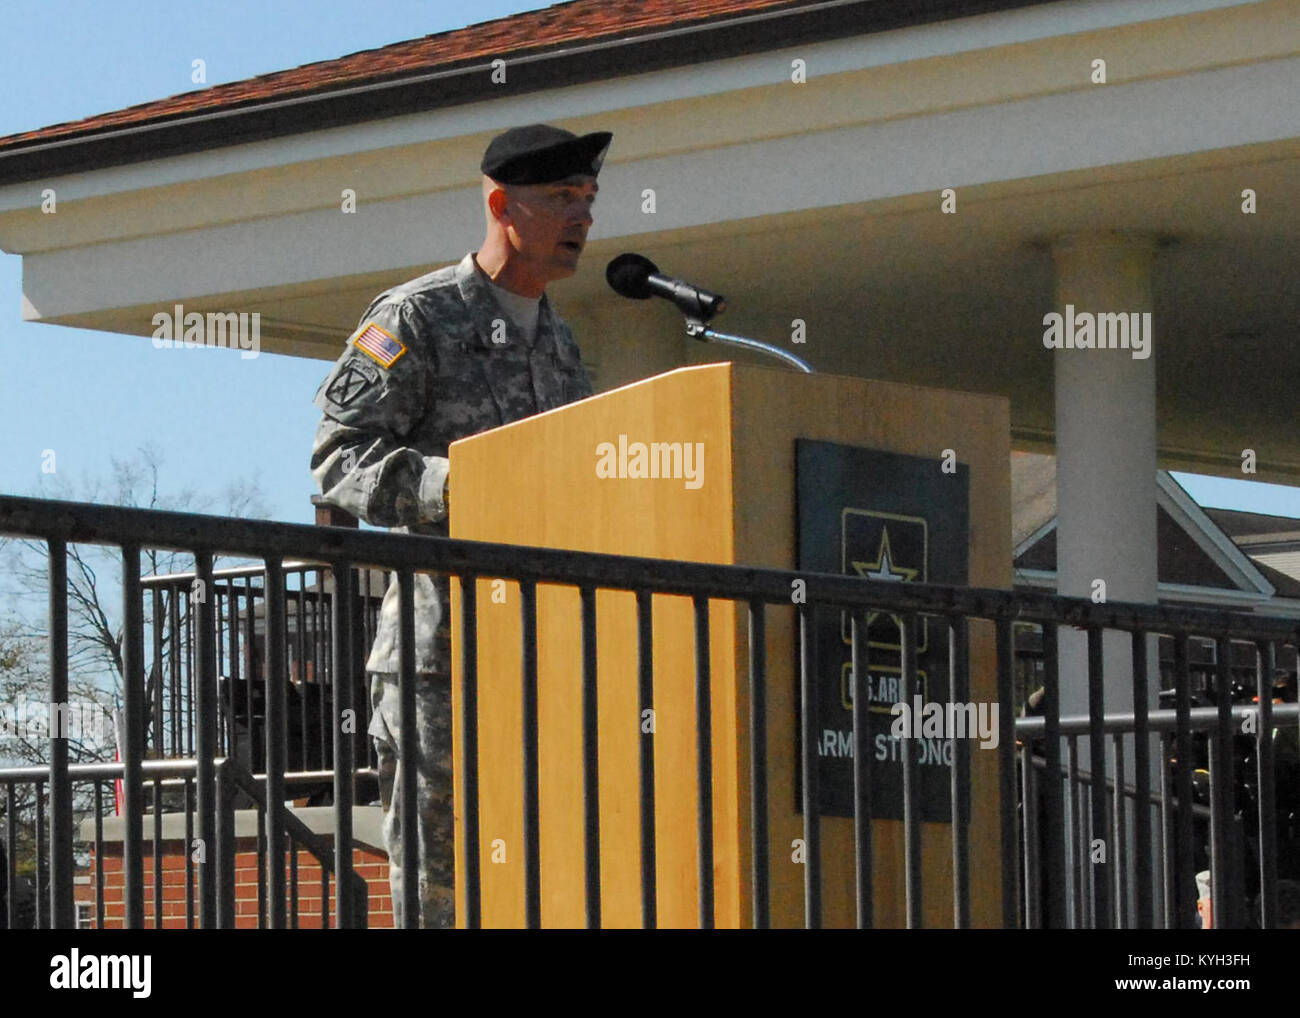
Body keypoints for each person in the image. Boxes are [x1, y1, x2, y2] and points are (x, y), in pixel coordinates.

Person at [311, 124, 610, 928]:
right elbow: (339, 459)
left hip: (548, 653)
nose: (581, 218)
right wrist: (465, 485)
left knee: (549, 868)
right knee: (441, 879)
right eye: (560, 200)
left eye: (588, 200)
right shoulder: (418, 315)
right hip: (440, 655)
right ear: (501, 204)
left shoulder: (562, 343)